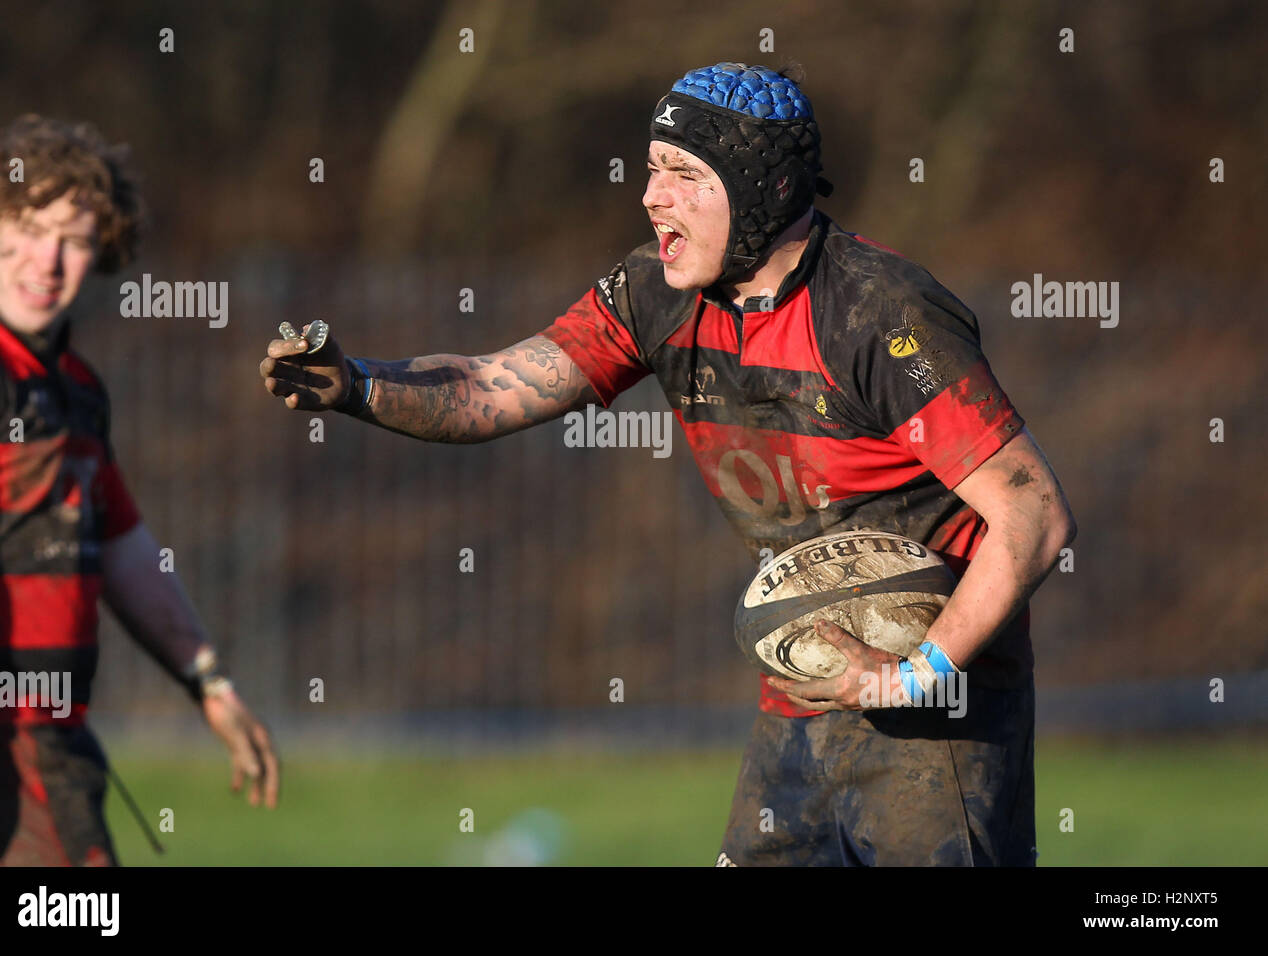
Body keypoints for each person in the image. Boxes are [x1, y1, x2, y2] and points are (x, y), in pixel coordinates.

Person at [260, 63, 1075, 866]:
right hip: (797, 699)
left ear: (767, 189)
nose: (653, 196)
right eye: (653, 170)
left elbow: (1031, 513)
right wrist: (360, 385)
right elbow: (494, 385)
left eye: (685, 174)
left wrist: (915, 676)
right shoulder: (655, 292)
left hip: (942, 726)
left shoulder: (879, 315)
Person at [0, 114, 279, 866]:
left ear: (101, 250)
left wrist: (205, 677)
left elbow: (120, 544)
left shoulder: (74, 388)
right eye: (29, 227)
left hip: (43, 742)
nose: (47, 259)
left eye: (73, 238)